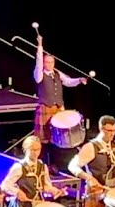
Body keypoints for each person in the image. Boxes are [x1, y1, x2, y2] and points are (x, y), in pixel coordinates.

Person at [32, 33, 86, 172]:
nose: (49, 64)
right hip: (45, 108)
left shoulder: (57, 73)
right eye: (47, 62)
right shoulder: (39, 74)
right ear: (43, 63)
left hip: (58, 109)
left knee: (58, 139)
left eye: (51, 62)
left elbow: (68, 82)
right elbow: (38, 63)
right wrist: (40, 45)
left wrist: (79, 80)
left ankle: (58, 165)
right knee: (44, 139)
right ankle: (43, 165)